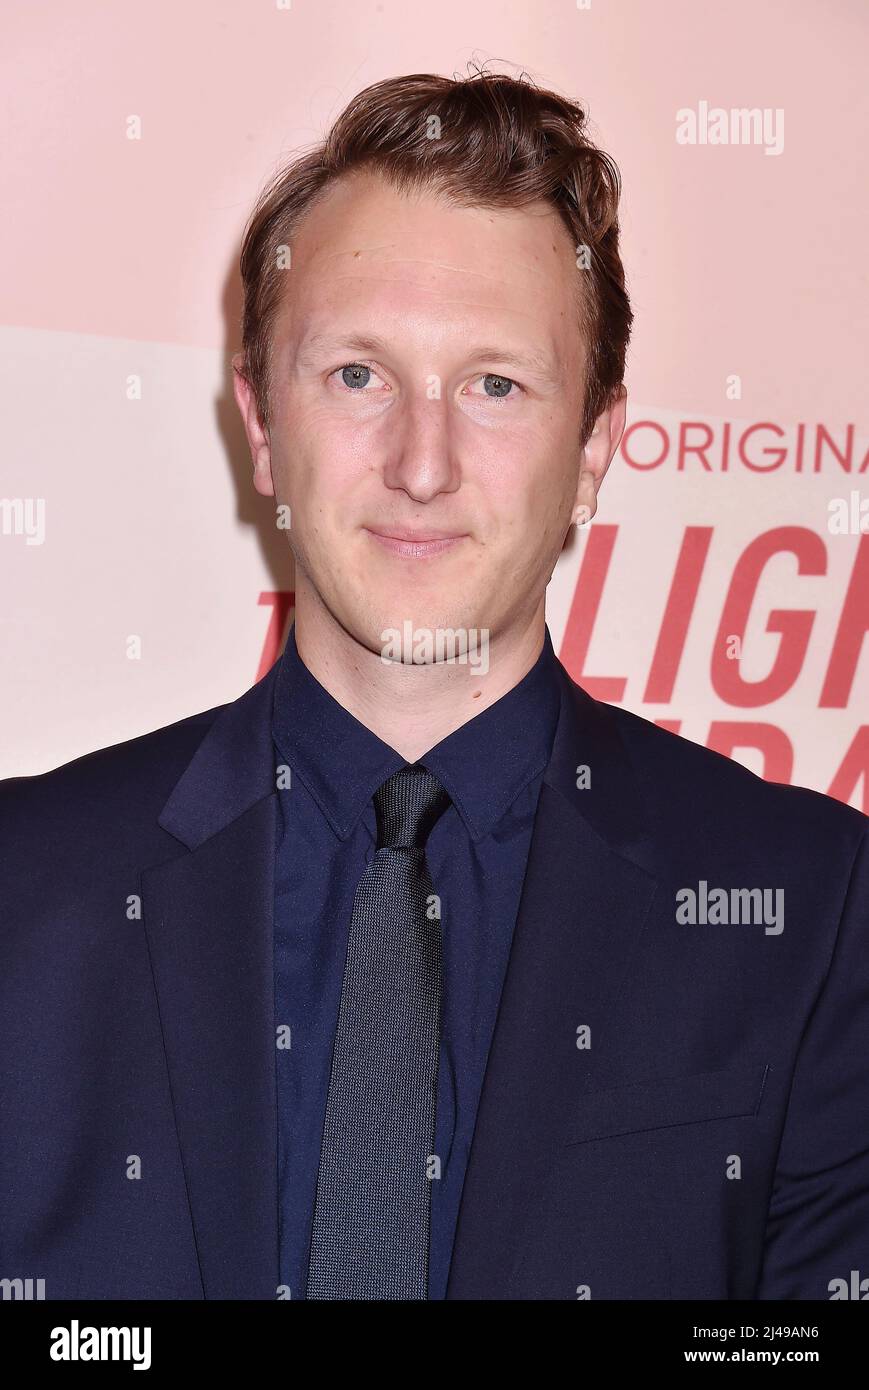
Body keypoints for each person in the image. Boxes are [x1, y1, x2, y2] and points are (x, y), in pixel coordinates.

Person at [1, 69, 867, 1302]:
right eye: (357, 374)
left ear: (594, 448)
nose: (421, 462)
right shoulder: (24, 891)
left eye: (495, 386)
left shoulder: (812, 912)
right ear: (258, 424)